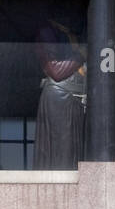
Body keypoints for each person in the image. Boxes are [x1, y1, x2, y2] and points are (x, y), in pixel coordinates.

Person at [33, 21, 86, 169]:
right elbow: (55, 70)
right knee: (63, 155)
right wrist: (81, 54)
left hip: (73, 98)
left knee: (72, 154)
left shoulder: (70, 32)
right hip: (61, 98)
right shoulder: (47, 32)